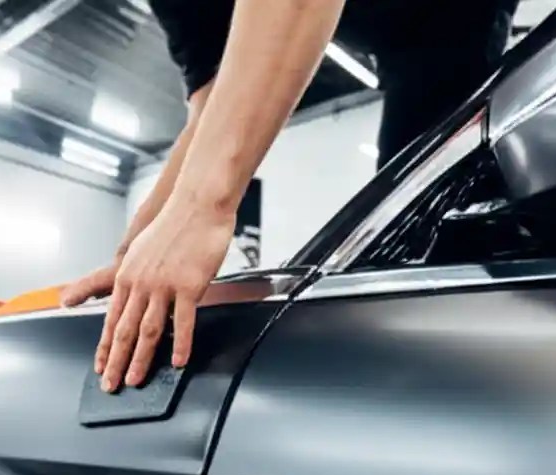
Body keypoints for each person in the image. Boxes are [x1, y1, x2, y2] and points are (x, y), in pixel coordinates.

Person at [61, 0, 519, 392]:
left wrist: (202, 208)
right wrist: (138, 249)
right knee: (406, 250)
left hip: (459, 18)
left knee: (451, 249)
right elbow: (214, 102)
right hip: (410, 46)